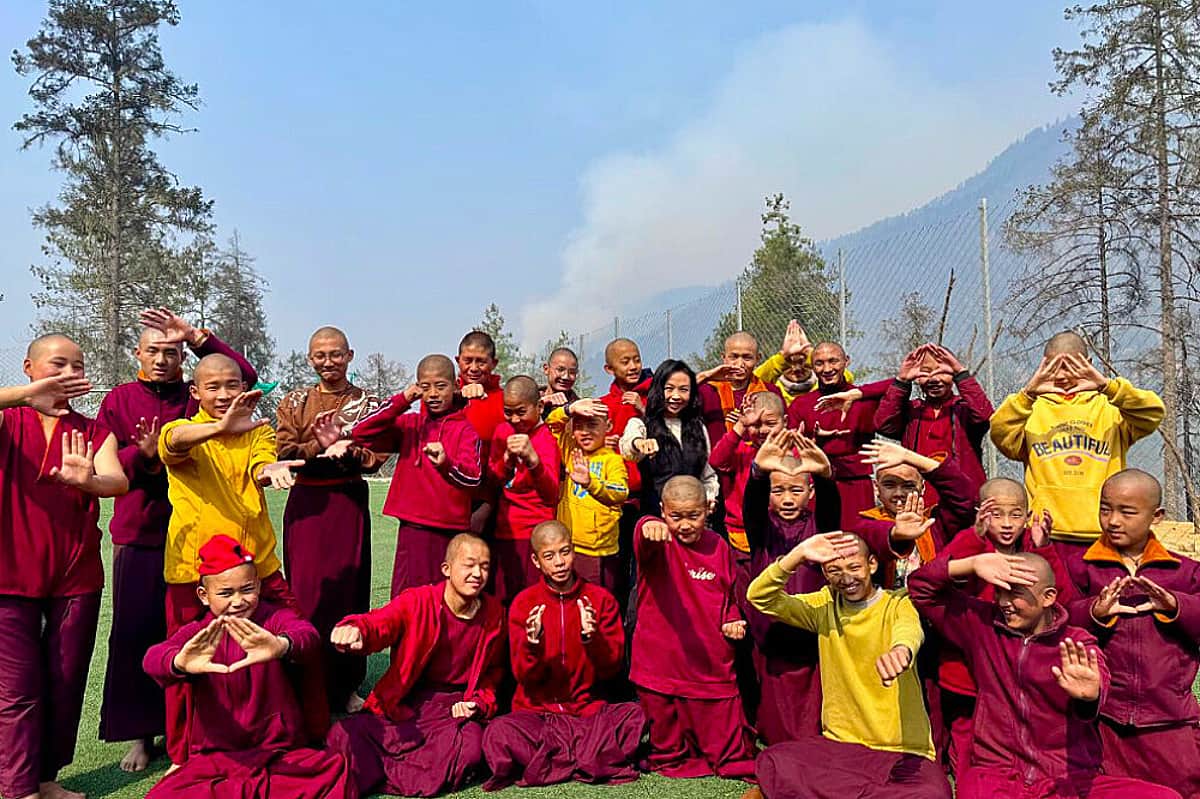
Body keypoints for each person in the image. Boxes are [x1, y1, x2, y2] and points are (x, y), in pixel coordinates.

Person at [98, 307, 258, 772]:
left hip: (199, 536)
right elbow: (103, 460)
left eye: (172, 352)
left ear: (183, 360)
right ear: (138, 353)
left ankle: (196, 728)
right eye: (154, 352)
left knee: (197, 633)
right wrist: (141, 454)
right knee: (136, 633)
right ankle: (141, 735)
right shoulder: (120, 399)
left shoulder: (195, 399)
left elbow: (244, 378)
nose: (162, 360)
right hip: (142, 531)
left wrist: (198, 337)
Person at [908, 549, 1182, 798]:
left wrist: (1089, 697)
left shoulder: (1077, 642)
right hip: (996, 774)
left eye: (1015, 593)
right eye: (1000, 591)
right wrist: (971, 563)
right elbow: (921, 588)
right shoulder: (981, 625)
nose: (1004, 602)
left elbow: (1097, 685)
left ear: (1048, 597)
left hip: (1067, 777)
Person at [158, 352, 310, 762]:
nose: (224, 394)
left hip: (257, 564)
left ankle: (307, 731)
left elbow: (262, 465)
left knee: (296, 641)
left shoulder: (258, 429)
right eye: (213, 387)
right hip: (193, 571)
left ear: (245, 389)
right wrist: (217, 429)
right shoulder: (182, 429)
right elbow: (170, 445)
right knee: (186, 658)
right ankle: (181, 753)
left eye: (232, 385)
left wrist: (269, 471)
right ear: (195, 392)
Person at [0, 334, 128, 799]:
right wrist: (25, 396)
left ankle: (46, 777)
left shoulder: (93, 430)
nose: (70, 374)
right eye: (58, 365)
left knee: (65, 680)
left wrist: (89, 480)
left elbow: (117, 480)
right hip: (8, 574)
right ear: (29, 368)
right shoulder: (9, 420)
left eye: (77, 366)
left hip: (76, 574)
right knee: (17, 689)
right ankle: (19, 789)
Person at [141, 535, 353, 799]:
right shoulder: (199, 633)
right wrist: (178, 662)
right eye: (226, 593)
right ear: (204, 596)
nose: (238, 601)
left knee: (333, 771)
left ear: (259, 585)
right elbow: (152, 659)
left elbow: (307, 635)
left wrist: (281, 645)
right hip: (217, 754)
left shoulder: (273, 618)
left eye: (247, 589)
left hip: (277, 749)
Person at [745, 533, 951, 799]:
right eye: (835, 571)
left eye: (854, 567)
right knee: (775, 760)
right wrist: (798, 554)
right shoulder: (824, 606)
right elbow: (759, 596)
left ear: (872, 564)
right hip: (842, 748)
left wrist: (902, 649)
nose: (846, 578)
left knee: (933, 794)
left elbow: (909, 630)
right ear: (825, 573)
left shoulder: (898, 602)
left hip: (904, 751)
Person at [326, 535, 506, 798]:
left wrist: (477, 702)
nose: (477, 574)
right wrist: (358, 629)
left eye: (484, 567)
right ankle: (398, 772)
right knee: (343, 735)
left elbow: (493, 673)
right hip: (409, 702)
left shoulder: (494, 614)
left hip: (453, 709)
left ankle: (383, 772)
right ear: (446, 569)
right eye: (469, 565)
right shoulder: (419, 601)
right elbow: (382, 621)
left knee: (470, 750)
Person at [1065, 469, 1200, 799]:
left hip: (1170, 717)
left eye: (1127, 512)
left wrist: (1176, 605)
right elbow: (1061, 619)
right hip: (1105, 718)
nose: (1113, 521)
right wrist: (1093, 612)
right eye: (1105, 509)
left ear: (1157, 516)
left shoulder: (1183, 571)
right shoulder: (1081, 567)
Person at [483, 521, 646, 789]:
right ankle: (589, 758)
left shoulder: (600, 599)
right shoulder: (523, 604)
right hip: (539, 715)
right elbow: (524, 677)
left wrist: (592, 639)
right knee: (497, 733)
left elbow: (611, 669)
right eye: (549, 556)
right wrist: (533, 644)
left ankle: (551, 762)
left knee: (636, 715)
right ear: (536, 561)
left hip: (587, 714)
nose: (559, 562)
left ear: (574, 551)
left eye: (565, 552)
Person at [275, 326, 386, 714]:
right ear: (310, 358)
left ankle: (347, 684)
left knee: (349, 591)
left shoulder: (366, 403)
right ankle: (305, 682)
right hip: (307, 504)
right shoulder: (294, 402)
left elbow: (375, 456)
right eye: (320, 355)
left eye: (336, 354)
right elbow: (285, 452)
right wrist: (319, 445)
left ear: (350, 356)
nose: (328, 362)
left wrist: (348, 450)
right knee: (306, 595)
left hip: (346, 501)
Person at [932, 477, 1069, 774]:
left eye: (1015, 514)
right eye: (996, 514)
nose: (1007, 524)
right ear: (981, 513)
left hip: (1017, 672)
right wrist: (973, 537)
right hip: (967, 671)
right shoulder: (971, 545)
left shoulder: (1032, 548)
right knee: (967, 747)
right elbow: (937, 578)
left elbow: (1061, 599)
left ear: (1027, 515)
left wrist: (1044, 548)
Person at [990, 331, 1164, 551]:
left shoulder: (1111, 409)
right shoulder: (1031, 410)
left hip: (1105, 533)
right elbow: (1000, 434)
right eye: (1053, 367)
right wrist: (1027, 395)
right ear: (1043, 366)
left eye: (1071, 366)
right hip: (1045, 532)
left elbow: (1153, 412)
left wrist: (1107, 386)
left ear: (1088, 364)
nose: (1062, 375)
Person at [631, 476, 756, 779]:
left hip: (708, 661)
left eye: (693, 515)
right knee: (668, 746)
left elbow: (727, 595)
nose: (684, 525)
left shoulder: (719, 546)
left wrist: (731, 619)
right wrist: (647, 525)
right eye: (675, 516)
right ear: (663, 510)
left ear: (708, 509)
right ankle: (674, 755)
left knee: (730, 751)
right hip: (660, 659)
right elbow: (642, 537)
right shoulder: (658, 540)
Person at [345, 354, 483, 597]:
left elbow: (473, 478)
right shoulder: (410, 424)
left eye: (441, 386)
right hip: (412, 528)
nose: (433, 394)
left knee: (444, 599)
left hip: (449, 530)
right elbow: (360, 431)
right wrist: (403, 400)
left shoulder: (465, 430)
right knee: (406, 600)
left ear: (455, 386)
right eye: (425, 387)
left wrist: (446, 465)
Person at [741, 429, 842, 744]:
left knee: (811, 710)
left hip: (810, 633)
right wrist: (758, 474)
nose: (787, 499)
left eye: (796, 490)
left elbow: (831, 509)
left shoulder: (819, 527)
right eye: (778, 490)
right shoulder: (763, 528)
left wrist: (824, 477)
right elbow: (752, 505)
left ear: (810, 493)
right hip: (771, 633)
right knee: (774, 715)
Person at [786, 341, 891, 527]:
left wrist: (857, 394)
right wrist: (812, 444)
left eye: (833, 361)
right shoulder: (801, 404)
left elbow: (898, 384)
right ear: (812, 367)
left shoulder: (865, 400)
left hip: (856, 484)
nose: (827, 369)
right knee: (819, 539)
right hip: (817, 484)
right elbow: (790, 449)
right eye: (819, 363)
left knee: (857, 538)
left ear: (846, 361)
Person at [873, 343, 993, 504]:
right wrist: (902, 381)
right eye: (926, 372)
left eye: (942, 371)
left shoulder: (963, 409)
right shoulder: (912, 411)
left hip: (962, 498)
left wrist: (961, 373)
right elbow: (883, 424)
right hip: (917, 498)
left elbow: (985, 415)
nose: (934, 379)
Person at [853, 439, 976, 587]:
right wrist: (895, 534)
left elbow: (964, 495)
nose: (899, 493)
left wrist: (909, 457)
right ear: (876, 488)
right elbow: (873, 535)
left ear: (922, 488)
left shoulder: (934, 522)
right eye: (889, 485)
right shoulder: (867, 523)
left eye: (908, 486)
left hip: (931, 598)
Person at [486, 376, 561, 603]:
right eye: (508, 412)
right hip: (504, 530)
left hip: (534, 532)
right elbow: (492, 481)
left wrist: (533, 461)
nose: (515, 419)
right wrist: (506, 461)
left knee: (532, 600)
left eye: (521, 412)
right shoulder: (502, 432)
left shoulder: (547, 439)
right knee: (503, 599)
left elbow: (551, 495)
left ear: (539, 407)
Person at [619, 359, 718, 518]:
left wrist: (709, 497)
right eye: (669, 389)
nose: (676, 396)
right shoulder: (642, 424)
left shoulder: (698, 427)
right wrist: (639, 443)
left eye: (683, 390)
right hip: (656, 519)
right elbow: (628, 447)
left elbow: (707, 474)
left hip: (692, 518)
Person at [547, 404, 629, 593]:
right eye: (578, 426)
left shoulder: (612, 460)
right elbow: (551, 424)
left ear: (608, 426)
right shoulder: (571, 450)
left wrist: (591, 483)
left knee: (596, 601)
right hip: (567, 546)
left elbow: (621, 492)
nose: (584, 432)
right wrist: (569, 409)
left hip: (598, 551)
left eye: (592, 425)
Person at [710, 390, 786, 559]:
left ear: (785, 422)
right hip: (742, 534)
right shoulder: (741, 452)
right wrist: (740, 426)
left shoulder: (793, 453)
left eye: (770, 423)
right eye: (755, 425)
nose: (763, 430)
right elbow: (716, 461)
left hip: (783, 531)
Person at [696, 331, 781, 448]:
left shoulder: (770, 391)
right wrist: (705, 376)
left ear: (758, 358)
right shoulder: (707, 391)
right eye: (734, 357)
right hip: (717, 457)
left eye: (747, 358)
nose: (740, 364)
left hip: (761, 456)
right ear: (724, 358)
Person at [752, 320, 816, 405]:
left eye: (801, 361)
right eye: (790, 362)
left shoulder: (823, 386)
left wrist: (812, 355)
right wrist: (782, 357)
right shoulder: (773, 390)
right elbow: (752, 381)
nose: (797, 368)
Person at [540, 346, 580, 420]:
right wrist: (542, 403)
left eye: (572, 372)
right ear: (546, 369)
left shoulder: (578, 408)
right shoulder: (531, 398)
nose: (566, 377)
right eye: (560, 370)